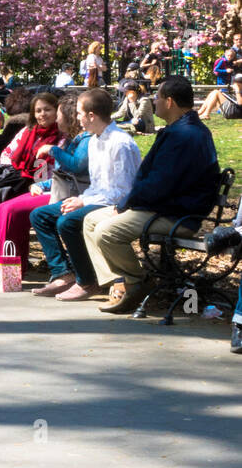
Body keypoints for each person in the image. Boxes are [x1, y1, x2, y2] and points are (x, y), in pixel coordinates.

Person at [81, 76, 220, 314]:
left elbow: (159, 185)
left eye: (157, 97)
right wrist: (128, 204)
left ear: (170, 101)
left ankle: (137, 282)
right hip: (161, 206)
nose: (154, 101)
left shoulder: (185, 136)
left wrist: (126, 204)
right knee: (90, 220)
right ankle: (120, 282)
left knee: (107, 231)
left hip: (176, 214)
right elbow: (156, 181)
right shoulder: (180, 130)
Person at [30, 88, 142, 301]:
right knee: (40, 215)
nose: (77, 118)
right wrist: (81, 199)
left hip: (117, 205)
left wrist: (83, 201)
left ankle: (87, 281)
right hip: (96, 198)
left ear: (92, 115)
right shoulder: (95, 140)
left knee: (67, 222)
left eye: (80, 113)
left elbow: (121, 192)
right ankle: (63, 274)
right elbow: (98, 185)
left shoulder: (120, 143)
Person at [0, 92, 63, 276]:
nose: (42, 114)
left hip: (42, 184)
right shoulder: (28, 130)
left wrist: (33, 177)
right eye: (38, 111)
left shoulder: (60, 136)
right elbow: (6, 154)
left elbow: (52, 171)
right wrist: (19, 170)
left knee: (3, 205)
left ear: (57, 111)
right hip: (17, 176)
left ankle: (2, 263)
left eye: (47, 109)